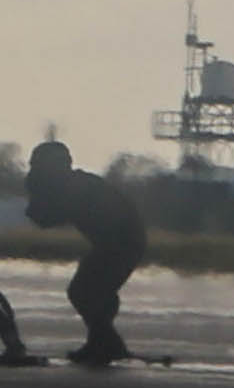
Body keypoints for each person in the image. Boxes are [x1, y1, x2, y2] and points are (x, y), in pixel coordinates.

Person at [19, 136, 149, 367]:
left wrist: (37, 194)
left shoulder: (74, 187)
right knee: (95, 293)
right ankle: (100, 343)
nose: (34, 171)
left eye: (38, 166)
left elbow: (46, 218)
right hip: (115, 243)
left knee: (82, 292)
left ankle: (109, 344)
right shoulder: (75, 184)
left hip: (121, 243)